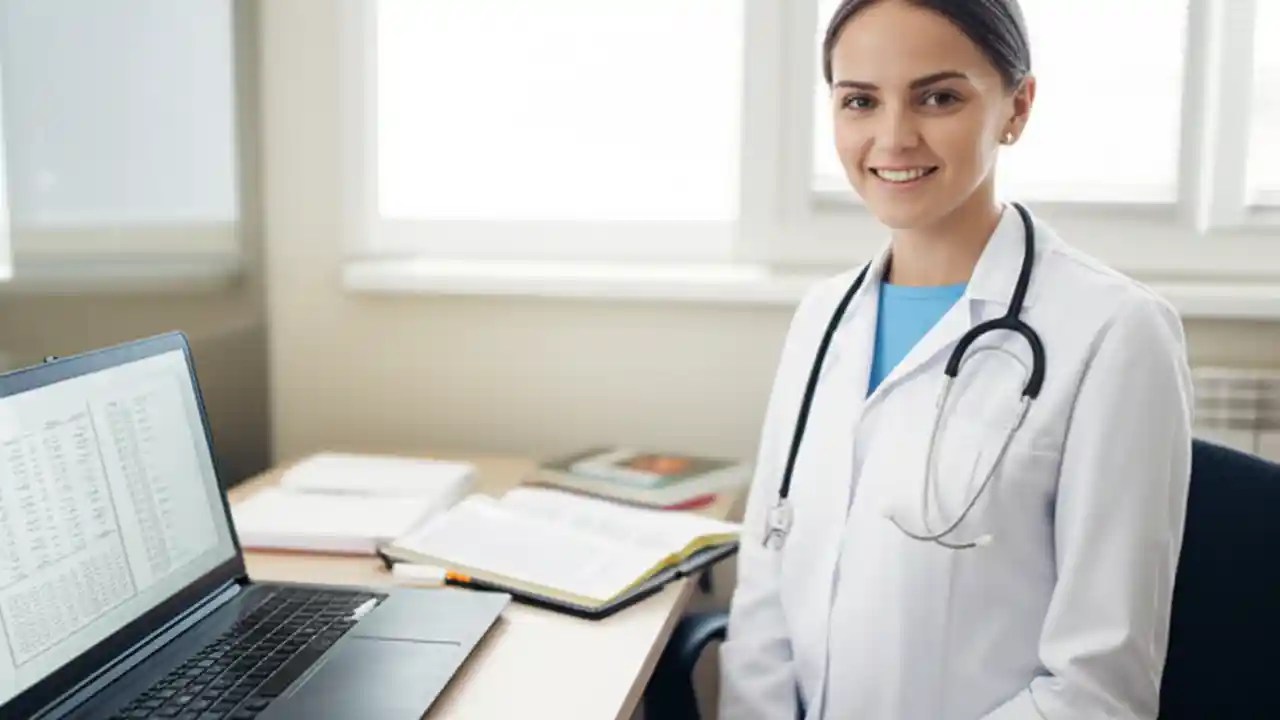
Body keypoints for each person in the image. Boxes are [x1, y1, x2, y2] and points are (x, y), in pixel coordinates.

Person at [718, 1, 1194, 718]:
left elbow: (1098, 689)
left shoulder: (1116, 334)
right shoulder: (823, 318)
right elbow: (764, 599)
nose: (893, 137)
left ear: (1017, 107)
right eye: (860, 101)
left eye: (938, 97)